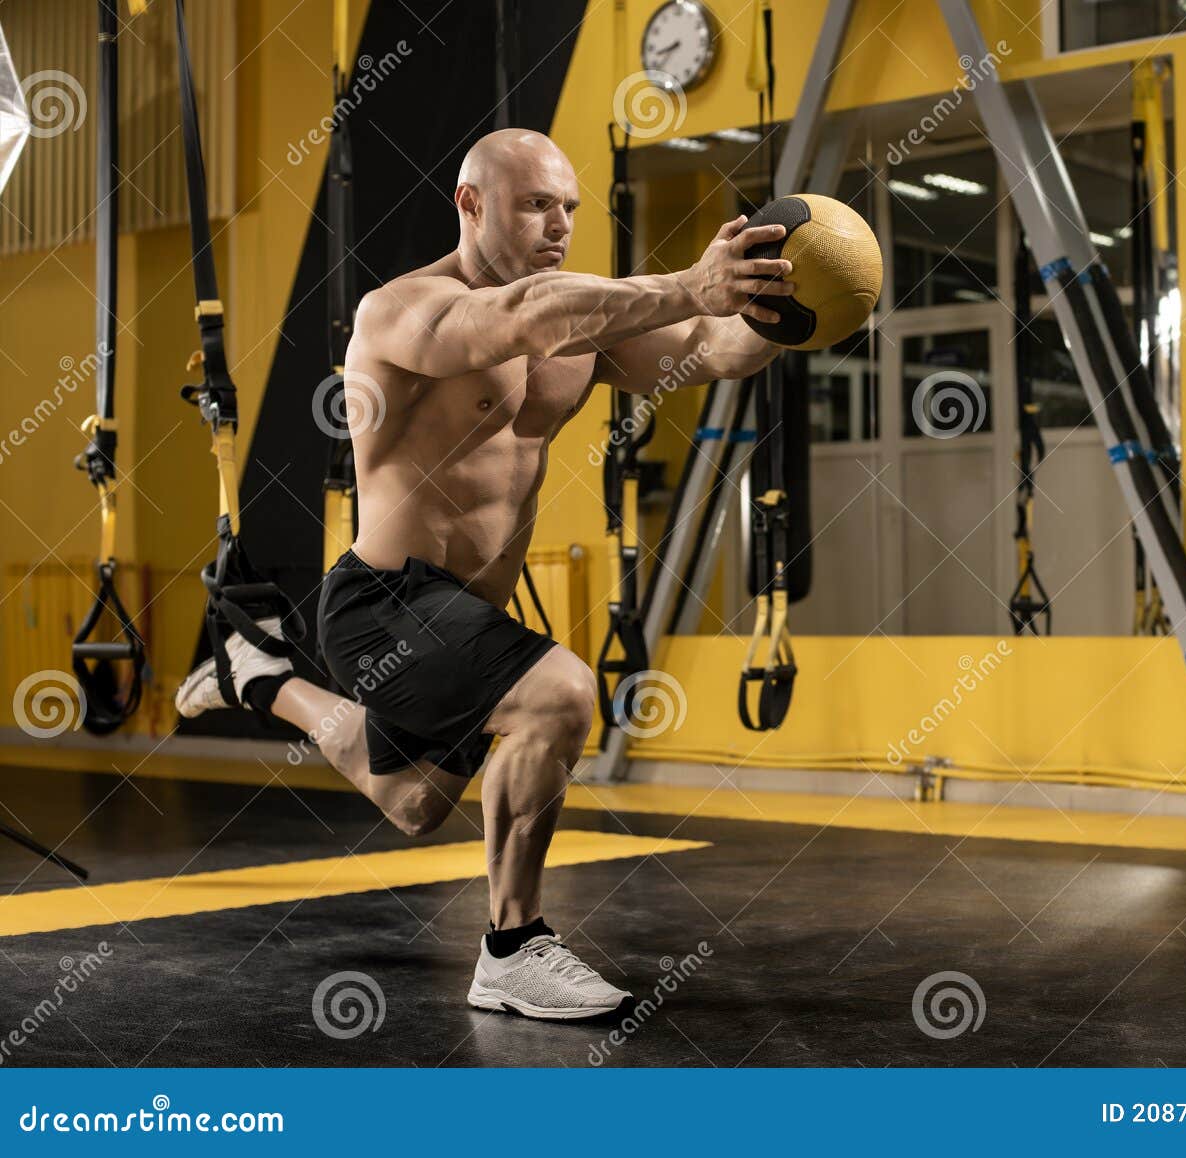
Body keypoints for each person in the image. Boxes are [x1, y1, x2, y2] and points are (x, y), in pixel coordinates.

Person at [176, 128, 792, 1020]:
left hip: (463, 616)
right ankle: (512, 947)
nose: (559, 224)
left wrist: (785, 306)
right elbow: (519, 317)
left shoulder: (583, 333)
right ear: (470, 203)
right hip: (382, 604)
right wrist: (688, 285)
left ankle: (258, 677)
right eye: (537, 203)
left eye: (570, 207)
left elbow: (714, 348)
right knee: (560, 696)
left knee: (416, 802)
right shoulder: (403, 309)